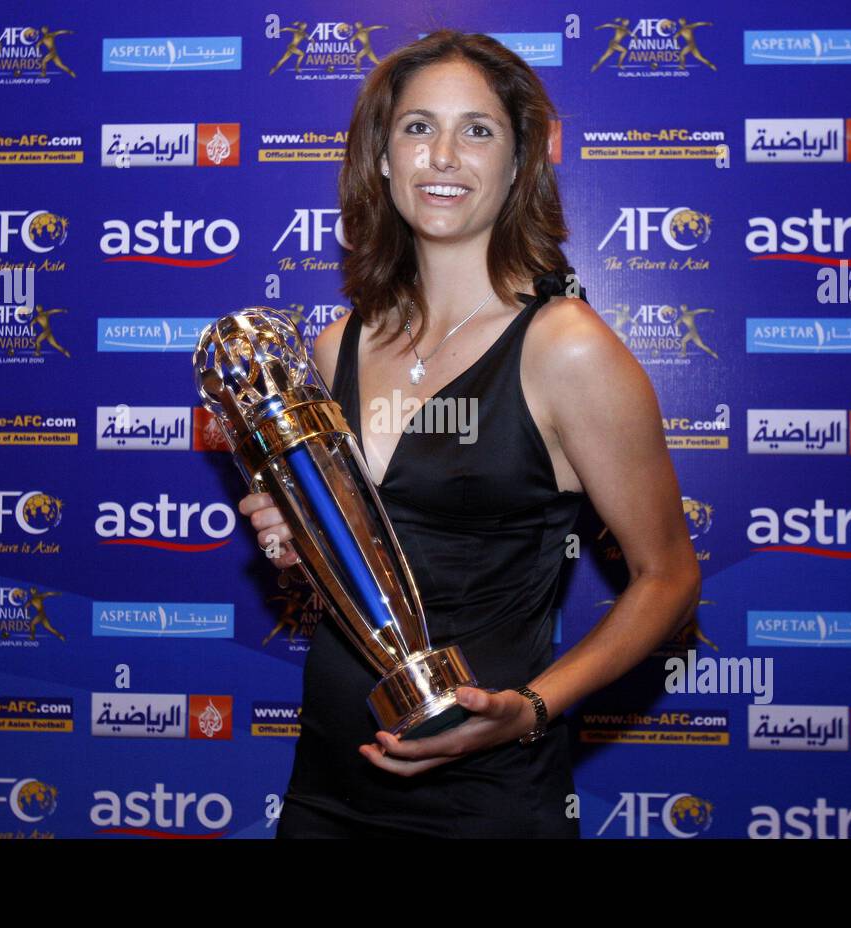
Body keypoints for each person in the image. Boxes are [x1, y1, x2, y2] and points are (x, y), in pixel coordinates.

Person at [238, 30, 701, 838]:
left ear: (519, 164)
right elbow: (374, 570)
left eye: (477, 130)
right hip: (326, 788)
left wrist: (529, 709)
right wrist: (301, 536)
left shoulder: (567, 348)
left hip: (486, 799)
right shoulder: (336, 345)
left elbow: (668, 578)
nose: (443, 155)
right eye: (418, 128)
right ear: (381, 158)